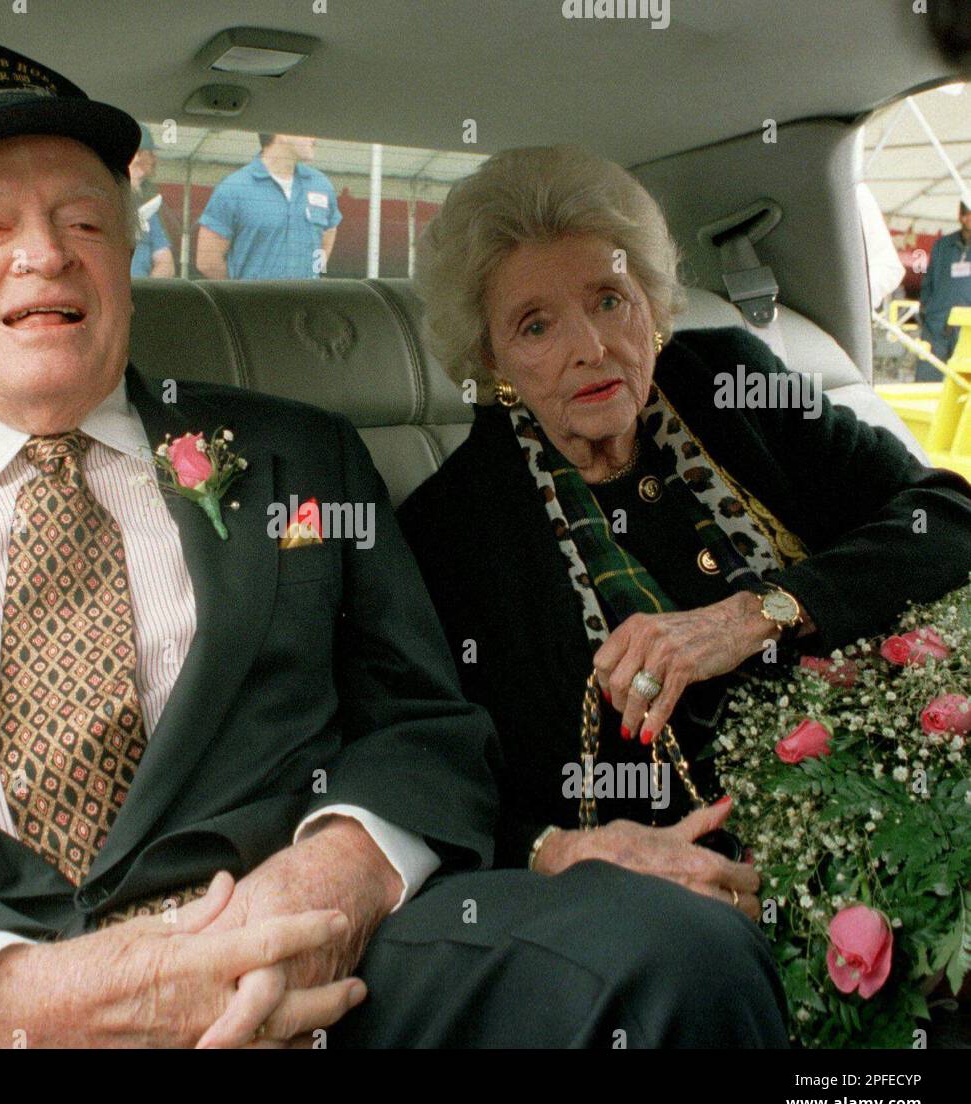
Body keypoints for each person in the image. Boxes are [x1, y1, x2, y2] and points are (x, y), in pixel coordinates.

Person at [0, 50, 788, 1050]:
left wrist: (335, 878)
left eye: (83, 221)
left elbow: (425, 720)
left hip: (325, 971)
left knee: (669, 955)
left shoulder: (300, 454)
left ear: (125, 254)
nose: (44, 258)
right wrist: (11, 997)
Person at [398, 146, 971, 900]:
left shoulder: (729, 381)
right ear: (492, 359)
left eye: (609, 298)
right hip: (693, 875)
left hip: (894, 777)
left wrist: (765, 611)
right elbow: (430, 770)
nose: (590, 347)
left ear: (653, 302)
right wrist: (559, 851)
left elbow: (947, 515)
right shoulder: (448, 530)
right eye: (536, 326)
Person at [195, 134, 340, 280]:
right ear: (282, 133)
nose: (314, 139)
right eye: (306, 131)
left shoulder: (321, 185)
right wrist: (242, 295)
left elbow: (328, 232)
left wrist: (313, 274)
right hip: (253, 302)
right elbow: (207, 262)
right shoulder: (233, 188)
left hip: (307, 301)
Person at [916, 200, 971, 380]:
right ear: (961, 216)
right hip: (937, 325)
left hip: (967, 328)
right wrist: (927, 308)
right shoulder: (943, 245)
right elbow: (928, 281)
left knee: (963, 384)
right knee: (928, 380)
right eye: (967, 213)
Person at [129, 124, 173, 279]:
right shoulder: (108, 200)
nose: (155, 159)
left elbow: (166, 263)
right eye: (151, 153)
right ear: (137, 155)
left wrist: (145, 293)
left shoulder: (149, 207)